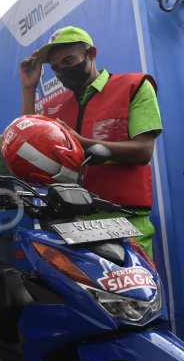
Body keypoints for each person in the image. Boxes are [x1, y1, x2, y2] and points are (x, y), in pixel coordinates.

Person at [19, 26, 162, 255]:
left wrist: (81, 143)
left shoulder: (133, 86)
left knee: (131, 291)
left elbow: (143, 150)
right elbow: (26, 139)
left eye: (68, 61)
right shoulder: (53, 107)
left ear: (91, 54)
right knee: (78, 292)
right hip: (70, 223)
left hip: (124, 220)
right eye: (56, 68)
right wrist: (29, 88)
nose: (62, 71)